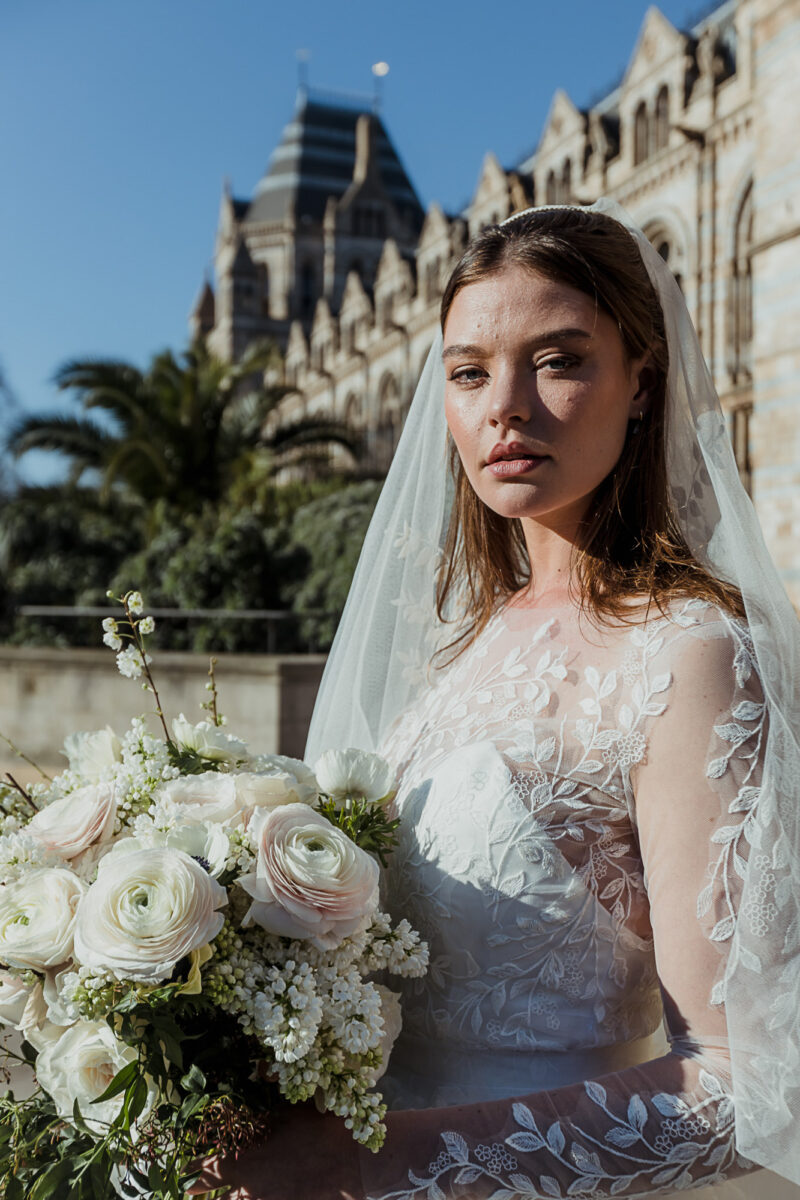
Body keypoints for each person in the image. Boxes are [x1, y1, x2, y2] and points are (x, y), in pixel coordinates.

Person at [192, 201, 800, 1200]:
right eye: (468, 372)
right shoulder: (454, 646)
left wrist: (369, 1165)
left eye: (557, 360)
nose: (503, 408)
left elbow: (752, 1083)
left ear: (640, 383)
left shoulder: (685, 654)